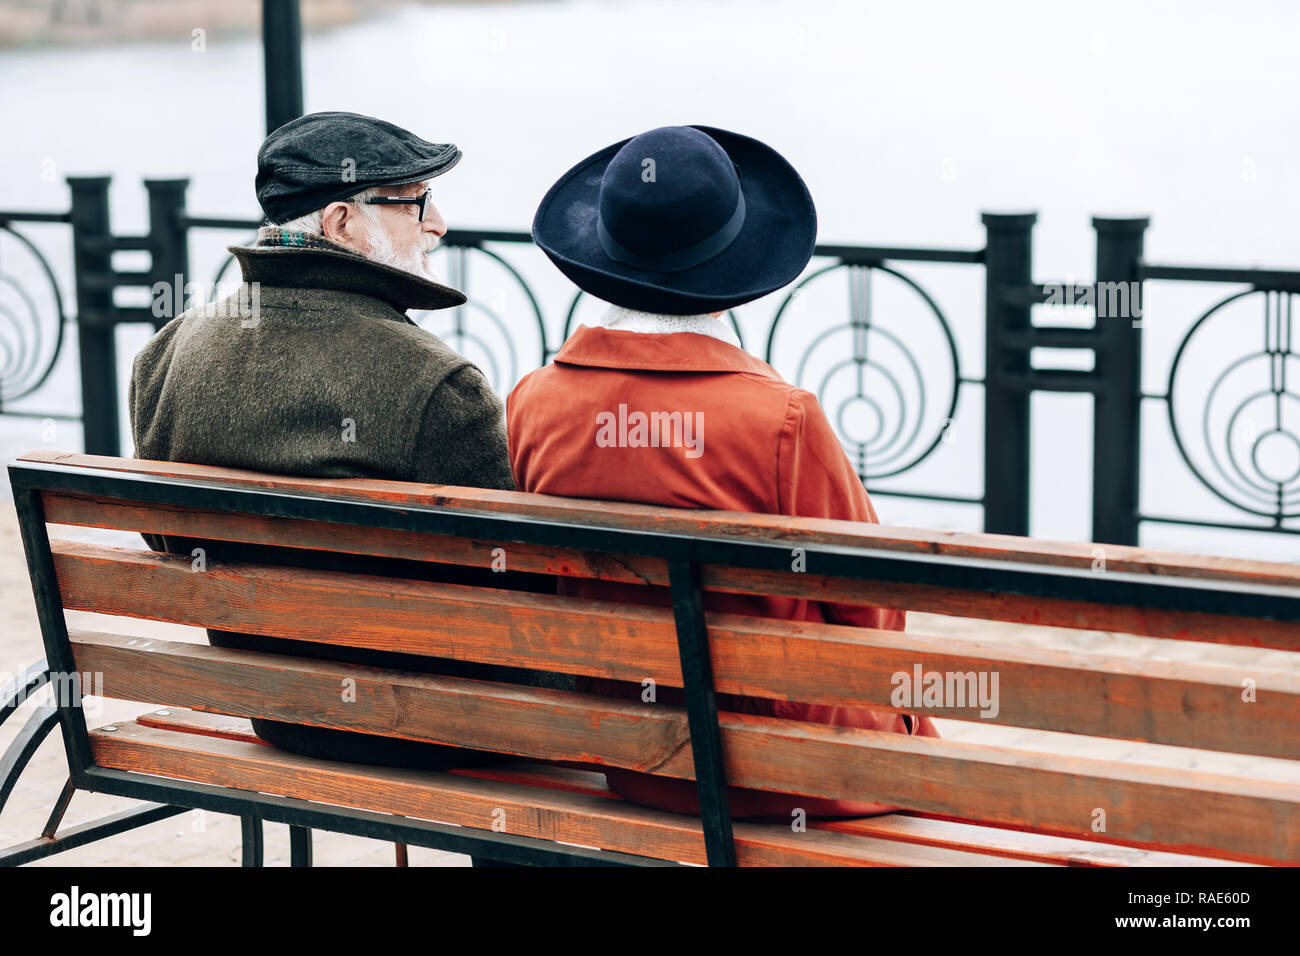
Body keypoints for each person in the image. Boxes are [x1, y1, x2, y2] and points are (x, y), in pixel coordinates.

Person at [508, 124, 939, 819]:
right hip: (788, 772)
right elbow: (873, 609)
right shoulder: (781, 420)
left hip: (632, 758)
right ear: (733, 266)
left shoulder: (532, 405)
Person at [130, 110, 564, 776]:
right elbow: (517, 583)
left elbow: (166, 538)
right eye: (416, 203)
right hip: (429, 724)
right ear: (339, 224)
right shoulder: (434, 382)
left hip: (272, 707)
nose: (438, 223)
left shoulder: (165, 354)